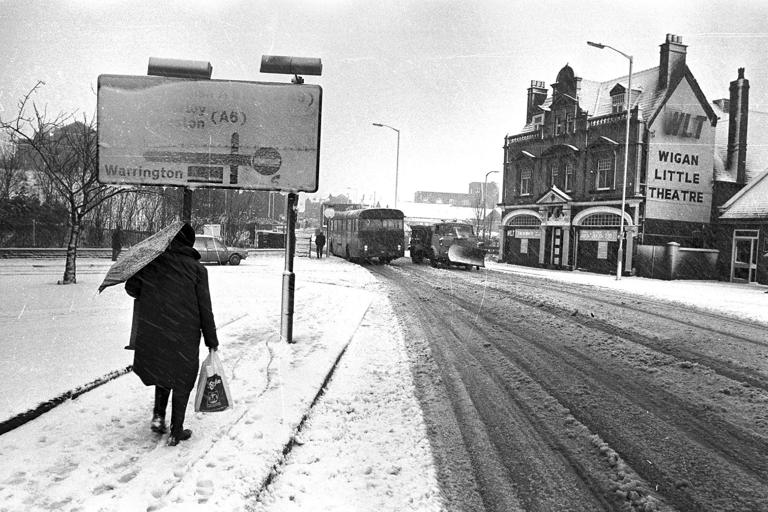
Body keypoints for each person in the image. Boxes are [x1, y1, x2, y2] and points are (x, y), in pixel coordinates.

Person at [125, 223, 219, 446]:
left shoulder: (153, 262)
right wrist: (211, 340)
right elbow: (205, 307)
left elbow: (132, 288)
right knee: (182, 378)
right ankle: (176, 430)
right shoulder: (197, 270)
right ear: (189, 242)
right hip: (185, 333)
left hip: (157, 328)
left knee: (162, 371)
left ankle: (158, 417)